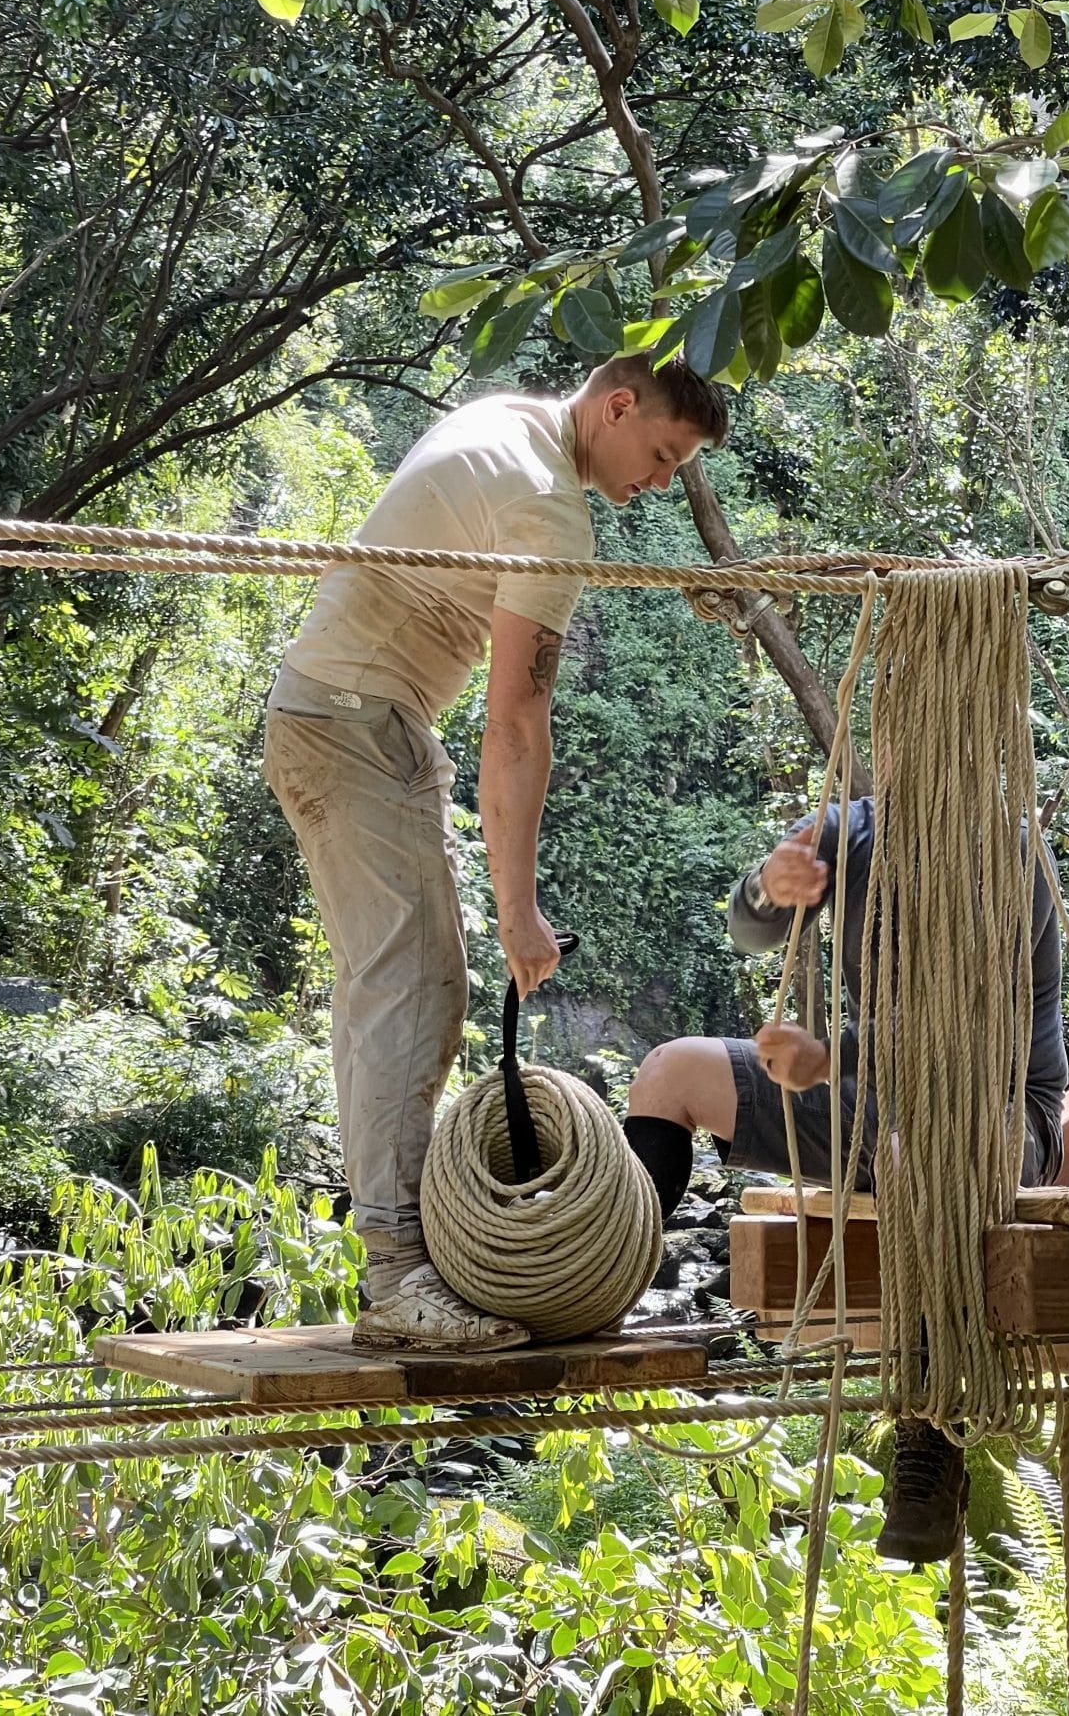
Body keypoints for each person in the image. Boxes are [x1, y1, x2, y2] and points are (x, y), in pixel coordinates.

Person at [265, 354, 727, 1351]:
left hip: (334, 714)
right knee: (416, 988)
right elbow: (515, 725)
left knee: (385, 986)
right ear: (614, 405)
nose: (654, 484)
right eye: (658, 454)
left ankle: (393, 1257)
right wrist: (518, 914)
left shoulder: (504, 417)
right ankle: (396, 1279)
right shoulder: (551, 512)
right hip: (354, 721)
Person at [624, 798, 1068, 1560]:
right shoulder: (851, 827)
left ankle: (929, 1432)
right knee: (670, 1073)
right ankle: (599, 1282)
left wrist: (828, 1056)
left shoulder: (1009, 847)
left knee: (907, 1148)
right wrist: (770, 884)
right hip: (870, 1097)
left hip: (999, 1111)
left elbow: (961, 1036)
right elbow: (748, 928)